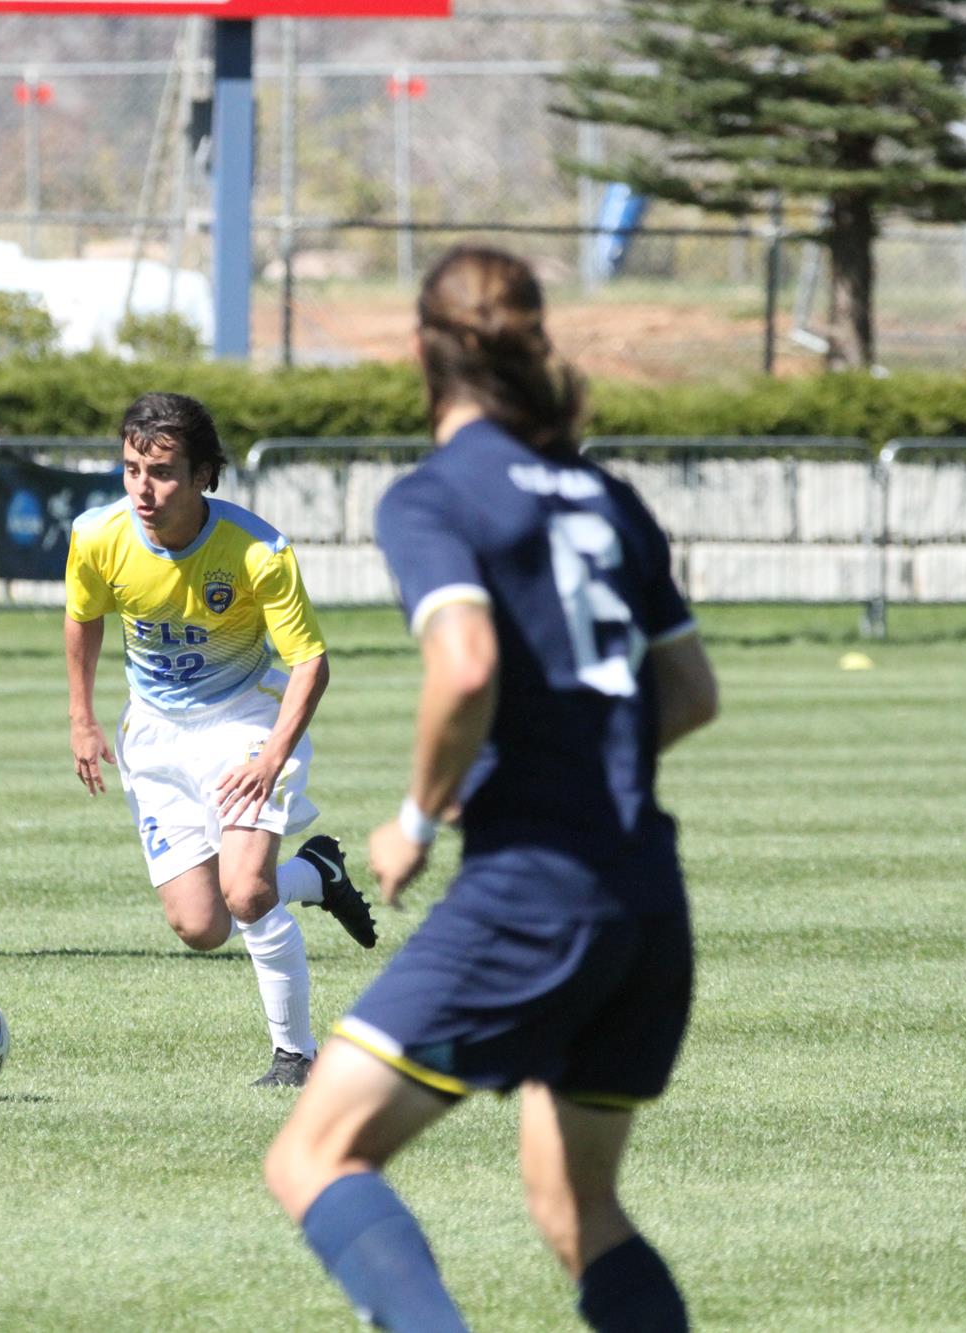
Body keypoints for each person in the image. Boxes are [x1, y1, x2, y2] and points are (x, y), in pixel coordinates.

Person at [263, 246, 720, 1331]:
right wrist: (564, 745)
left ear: (423, 353)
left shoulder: (434, 495)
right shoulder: (607, 496)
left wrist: (418, 813)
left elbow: (463, 664)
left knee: (312, 1151)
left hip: (532, 891)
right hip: (645, 899)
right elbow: (690, 691)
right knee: (577, 1205)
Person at [64, 392, 379, 1088]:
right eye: (131, 469)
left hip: (244, 721)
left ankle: (296, 1055)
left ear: (205, 474)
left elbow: (310, 663)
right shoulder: (96, 536)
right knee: (201, 925)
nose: (144, 489)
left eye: (164, 472)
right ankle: (317, 874)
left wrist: (271, 758)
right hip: (154, 732)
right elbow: (83, 616)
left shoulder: (257, 551)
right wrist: (82, 717)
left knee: (244, 892)